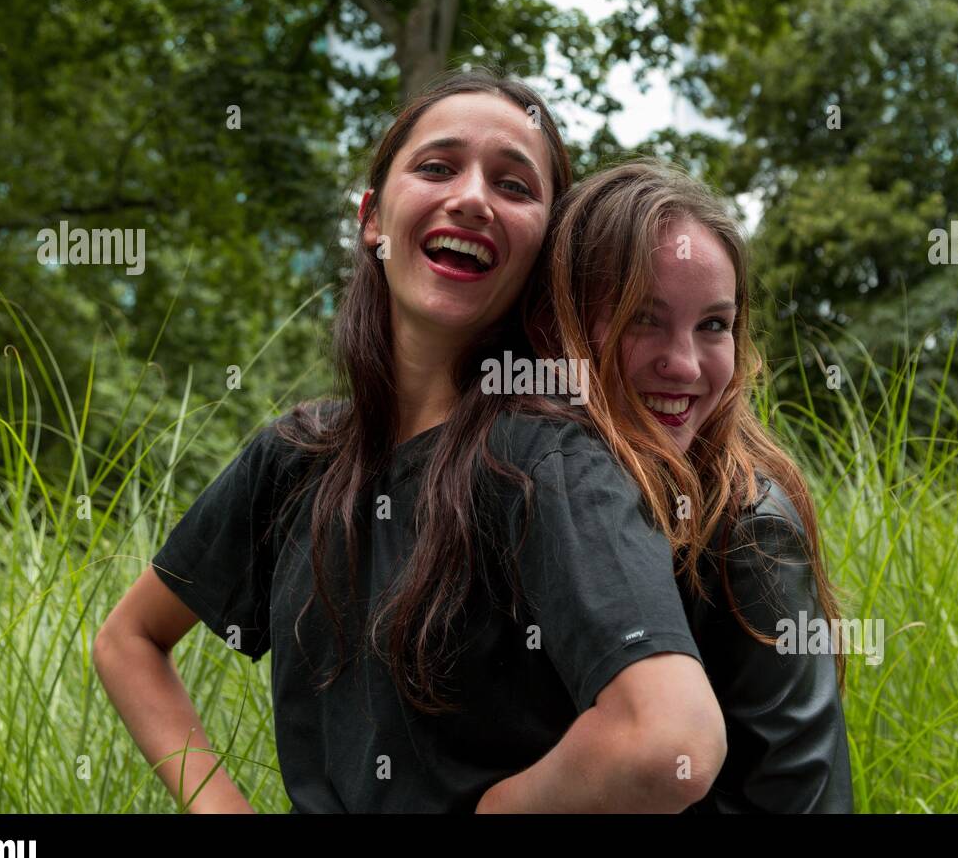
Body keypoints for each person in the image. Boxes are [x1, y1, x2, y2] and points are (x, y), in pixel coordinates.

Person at [93, 70, 728, 813]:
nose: (471, 197)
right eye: (436, 167)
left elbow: (672, 739)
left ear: (543, 250)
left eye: (515, 186)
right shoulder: (295, 458)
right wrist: (218, 805)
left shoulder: (550, 460)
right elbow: (128, 641)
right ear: (370, 218)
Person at [526, 159, 854, 812]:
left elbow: (803, 796)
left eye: (713, 325)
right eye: (644, 319)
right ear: (560, 321)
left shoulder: (753, 530)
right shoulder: (534, 491)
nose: (684, 364)